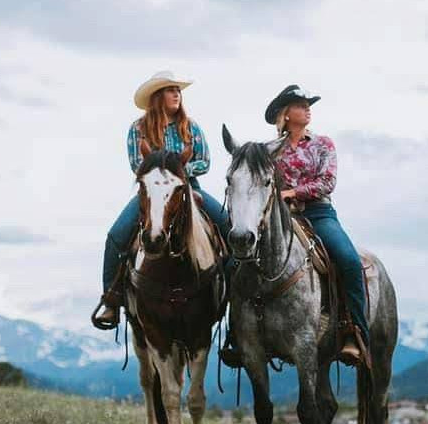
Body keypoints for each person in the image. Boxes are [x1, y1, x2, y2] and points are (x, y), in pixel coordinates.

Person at [220, 84, 369, 365]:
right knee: (232, 266)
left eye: (307, 104)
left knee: (349, 260)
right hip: (277, 219)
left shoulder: (322, 144)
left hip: (318, 213)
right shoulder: (266, 152)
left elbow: (327, 182)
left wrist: (291, 193)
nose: (308, 109)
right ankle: (236, 334)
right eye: (301, 105)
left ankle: (353, 331)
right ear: (285, 114)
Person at [92, 71, 229, 329]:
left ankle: (234, 297)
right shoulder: (138, 129)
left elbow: (205, 161)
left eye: (178, 90)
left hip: (188, 188)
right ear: (158, 96)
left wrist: (178, 173)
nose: (177, 94)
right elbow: (137, 164)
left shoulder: (191, 127)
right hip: (152, 193)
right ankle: (111, 301)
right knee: (116, 236)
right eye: (170, 90)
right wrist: (163, 173)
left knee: (229, 228)